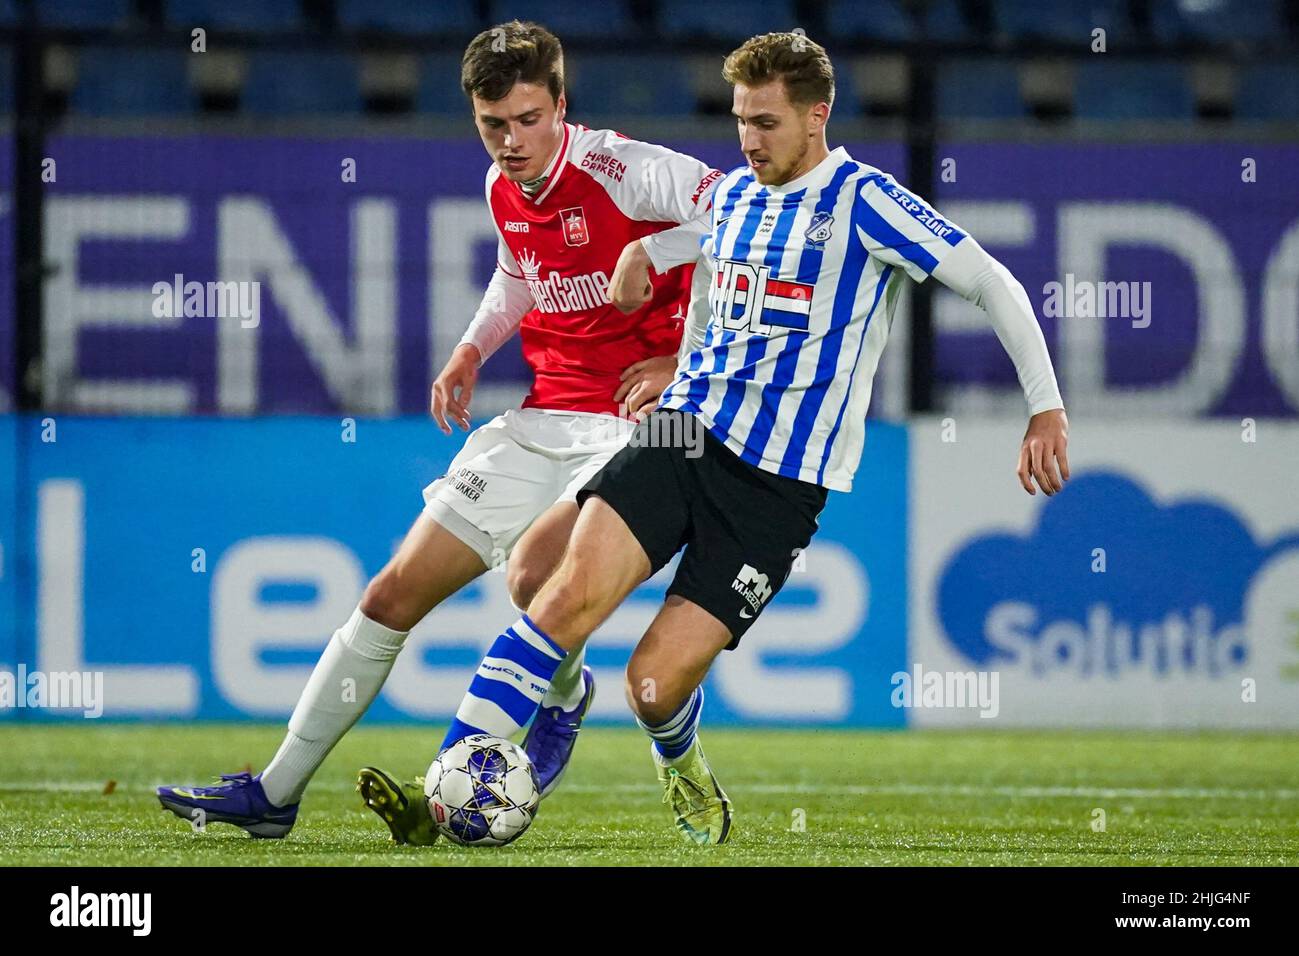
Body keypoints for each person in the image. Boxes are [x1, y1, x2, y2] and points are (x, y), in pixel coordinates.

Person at [369, 30, 1069, 847]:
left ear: (818, 116)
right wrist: (655, 286)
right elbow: (700, 260)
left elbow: (991, 281)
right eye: (740, 119)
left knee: (651, 686)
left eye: (766, 122)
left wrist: (1045, 408)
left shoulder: (865, 202)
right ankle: (442, 787)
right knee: (554, 591)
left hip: (776, 486)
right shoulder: (735, 196)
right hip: (684, 433)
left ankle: (679, 753)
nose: (749, 140)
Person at [156, 20, 720, 841]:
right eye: (493, 124)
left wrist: (683, 352)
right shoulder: (502, 185)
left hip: (635, 425)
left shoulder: (627, 170)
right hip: (544, 416)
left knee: (533, 576)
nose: (512, 141)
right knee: (391, 594)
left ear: (561, 104)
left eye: (529, 119)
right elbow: (518, 274)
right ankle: (273, 795)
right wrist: (470, 348)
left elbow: (752, 217)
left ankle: (526, 727)